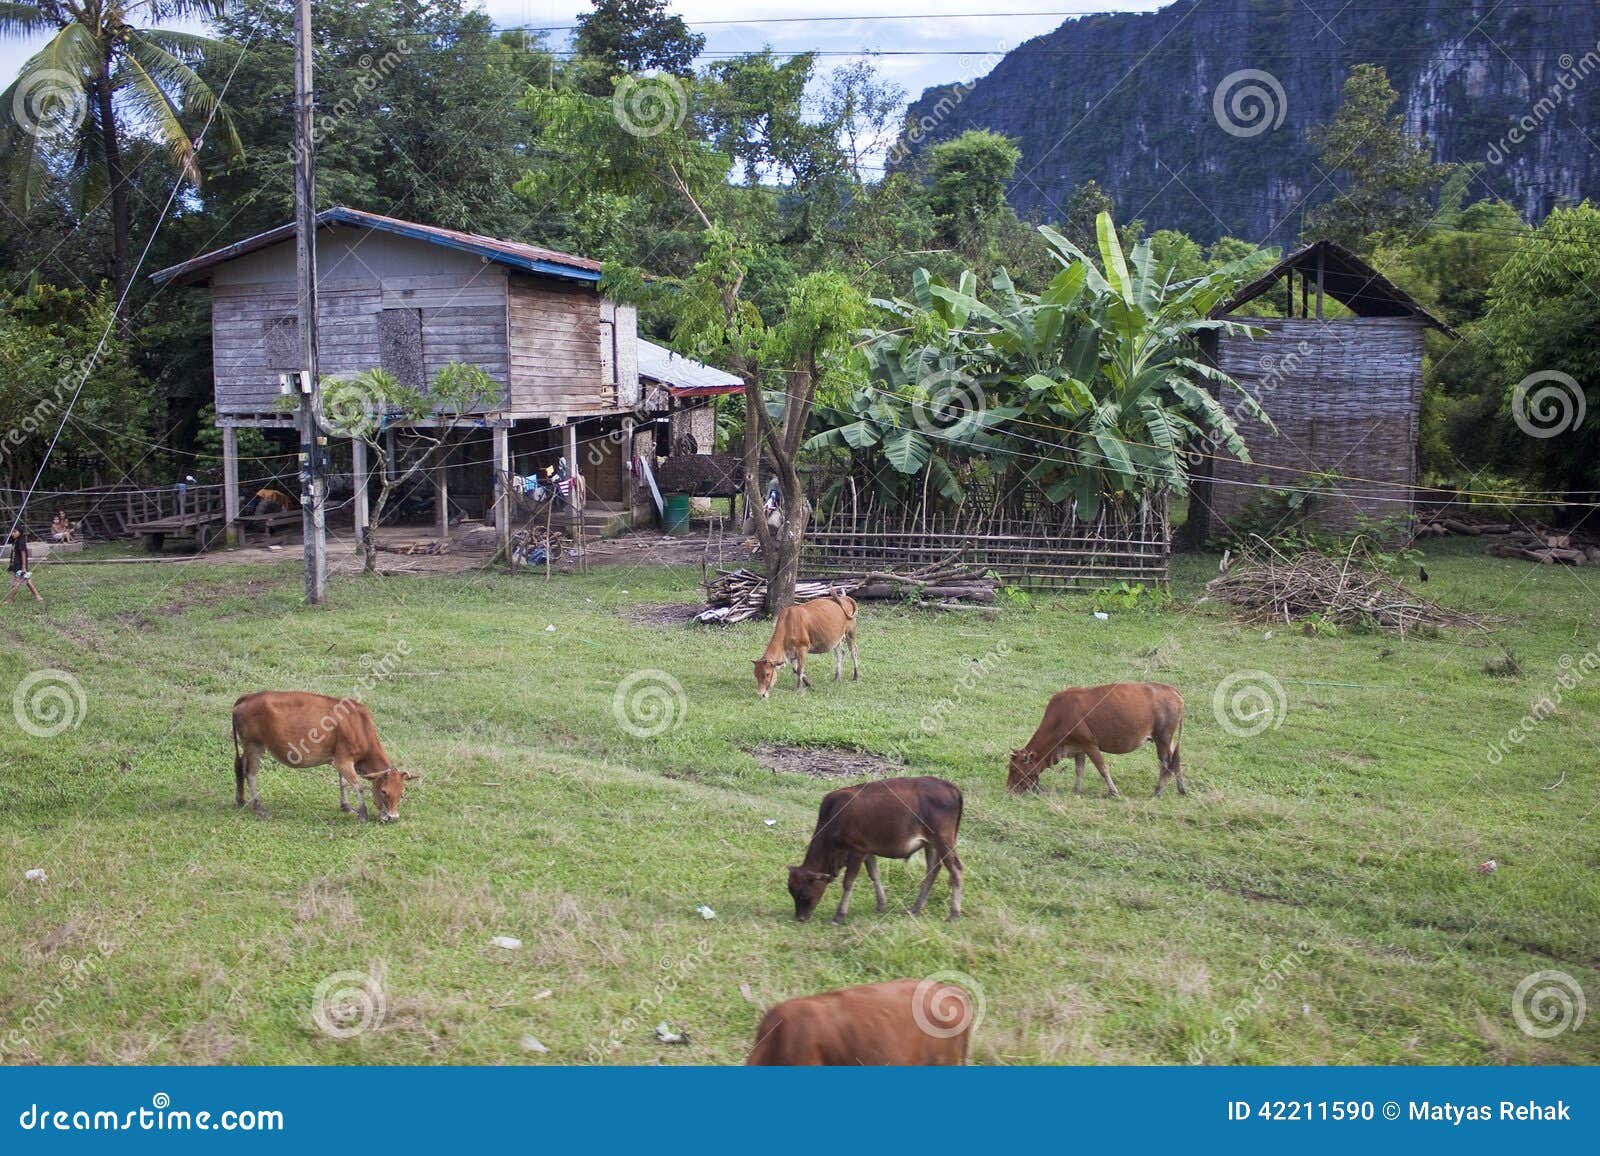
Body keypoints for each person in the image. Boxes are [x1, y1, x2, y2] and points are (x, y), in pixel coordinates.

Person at [4, 528, 43, 604]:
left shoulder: (21, 541)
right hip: (14, 565)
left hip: (19, 566)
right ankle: (38, 596)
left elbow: (23, 554)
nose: (13, 534)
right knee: (27, 581)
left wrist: (24, 567)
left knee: (16, 583)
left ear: (20, 532)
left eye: (15, 532)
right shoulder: (15, 541)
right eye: (12, 532)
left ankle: (9, 600)